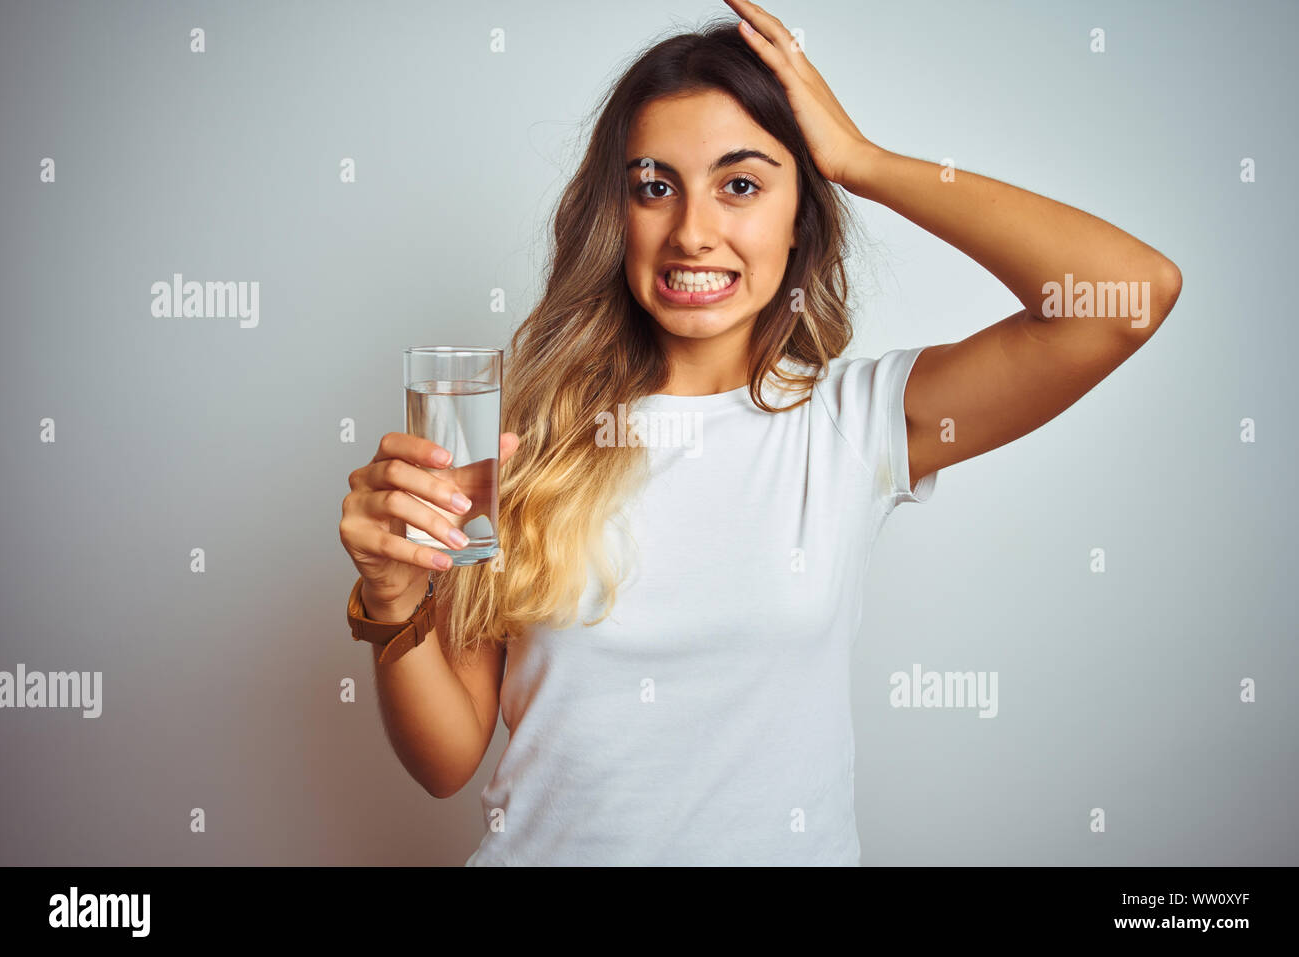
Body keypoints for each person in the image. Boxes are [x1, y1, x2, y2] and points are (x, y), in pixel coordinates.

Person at [338, 1, 1182, 866]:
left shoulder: (853, 425)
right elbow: (446, 760)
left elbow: (1131, 295)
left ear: (799, 218)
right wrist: (393, 602)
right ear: (616, 215)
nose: (693, 230)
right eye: (654, 186)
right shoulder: (528, 442)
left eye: (740, 184)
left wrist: (863, 161)